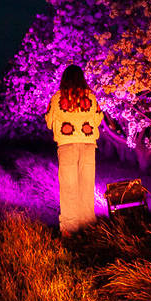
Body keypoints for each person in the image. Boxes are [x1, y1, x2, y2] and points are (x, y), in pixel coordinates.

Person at [44, 65, 104, 235]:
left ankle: (69, 229)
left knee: (69, 187)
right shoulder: (91, 97)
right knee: (86, 185)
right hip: (88, 144)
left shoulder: (57, 98)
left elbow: (49, 120)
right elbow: (98, 119)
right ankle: (88, 227)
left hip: (67, 144)